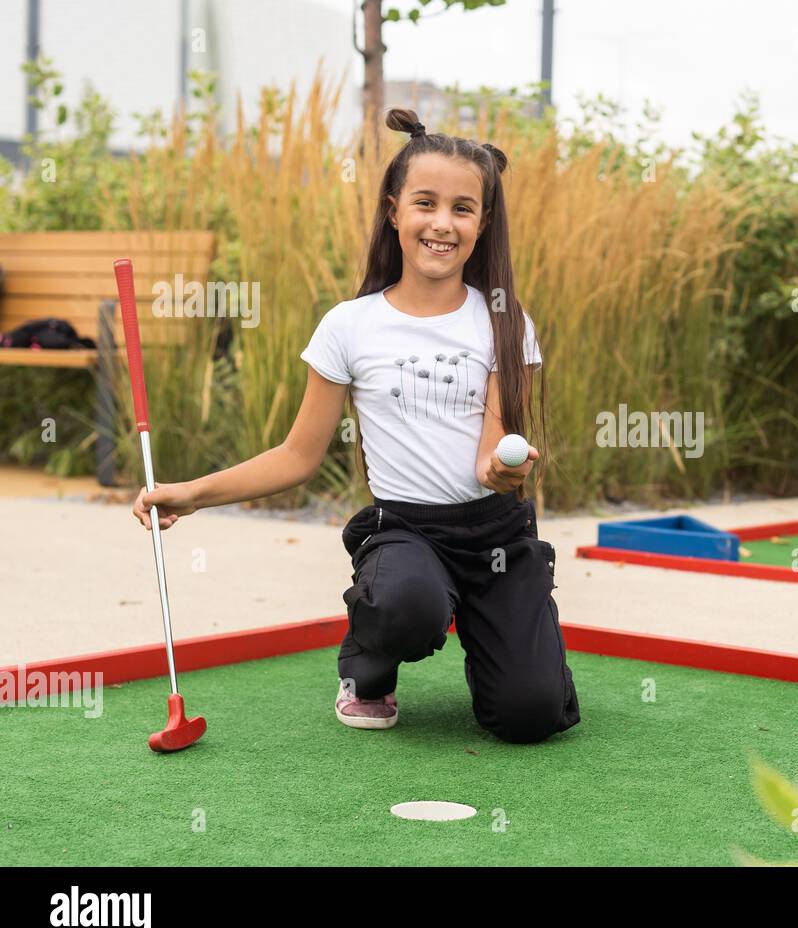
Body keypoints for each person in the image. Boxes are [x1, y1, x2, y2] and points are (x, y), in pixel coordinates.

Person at [132, 108, 581, 745]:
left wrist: (503, 470)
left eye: (463, 208)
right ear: (394, 210)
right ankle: (368, 672)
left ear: (483, 223)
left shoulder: (507, 322)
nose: (442, 224)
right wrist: (190, 494)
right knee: (407, 604)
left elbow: (493, 451)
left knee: (531, 715)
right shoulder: (349, 325)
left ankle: (510, 657)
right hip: (404, 531)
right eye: (426, 203)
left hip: (495, 535)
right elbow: (296, 455)